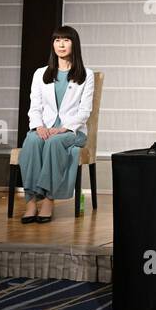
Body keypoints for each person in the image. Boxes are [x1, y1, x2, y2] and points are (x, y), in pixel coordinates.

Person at [19, 26, 96, 223]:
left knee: (55, 143)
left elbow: (84, 111)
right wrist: (39, 127)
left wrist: (64, 128)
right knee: (32, 141)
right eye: (57, 40)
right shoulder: (40, 74)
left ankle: (48, 200)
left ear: (74, 44)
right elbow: (34, 106)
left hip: (72, 131)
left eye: (66, 40)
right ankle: (30, 201)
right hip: (44, 128)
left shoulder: (86, 75)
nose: (61, 44)